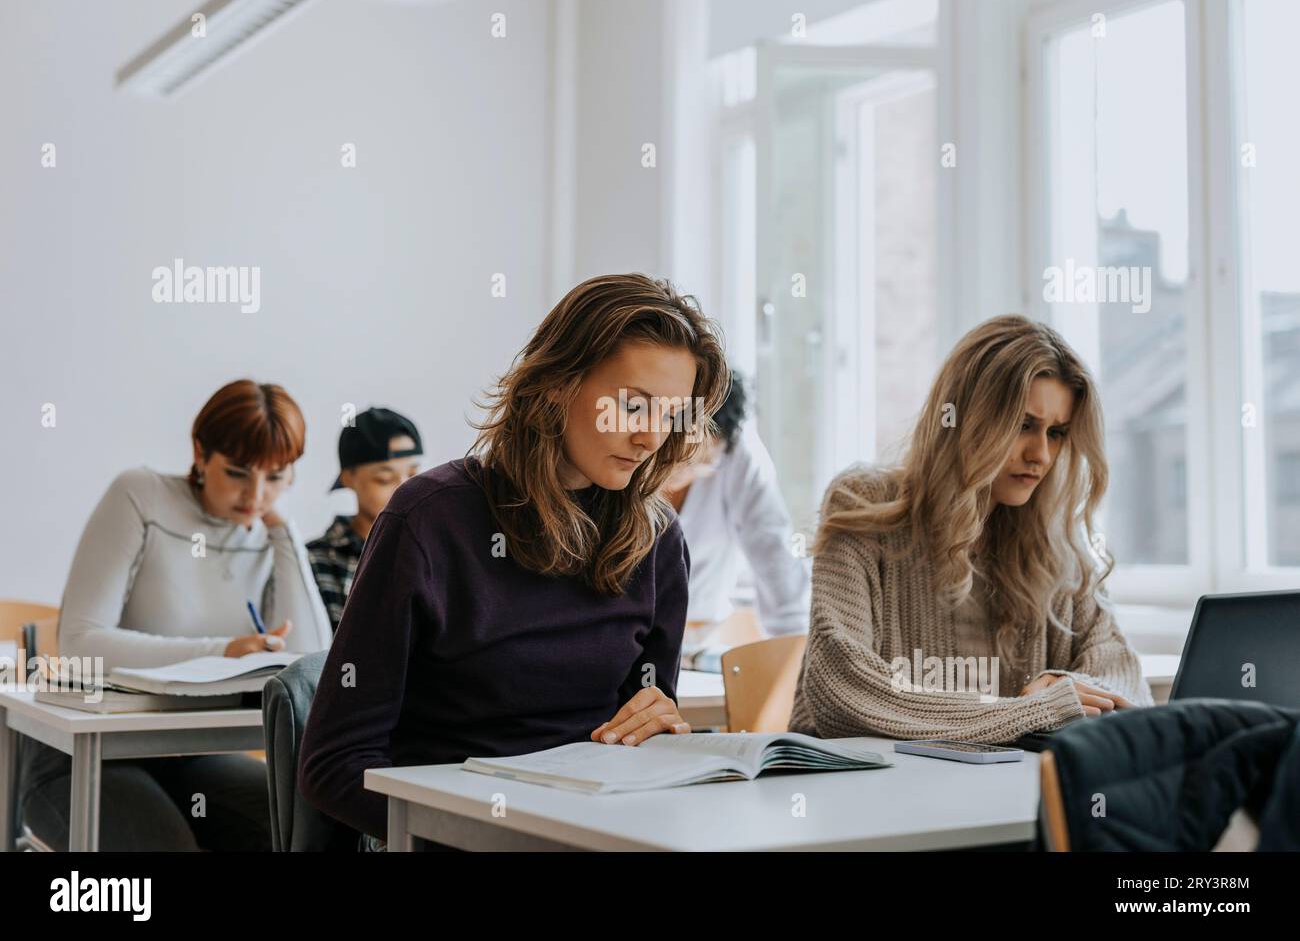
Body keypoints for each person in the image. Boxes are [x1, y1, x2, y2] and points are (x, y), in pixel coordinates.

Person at [298, 274, 729, 844]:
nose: (652, 437)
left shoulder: (657, 539)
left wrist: (657, 736)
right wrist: (485, 835)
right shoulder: (428, 519)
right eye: (632, 405)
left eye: (671, 414)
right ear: (556, 385)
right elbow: (334, 765)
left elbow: (632, 736)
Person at [789, 315, 1154, 745]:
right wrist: (1029, 712)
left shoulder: (1052, 542)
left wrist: (1060, 682)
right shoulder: (864, 505)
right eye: (1023, 425)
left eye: (1056, 433)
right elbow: (842, 686)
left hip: (1002, 791)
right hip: (865, 790)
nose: (1041, 454)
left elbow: (1124, 678)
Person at [19, 379, 332, 850]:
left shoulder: (267, 530)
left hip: (189, 754)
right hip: (84, 757)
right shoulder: (139, 496)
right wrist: (223, 651)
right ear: (200, 453)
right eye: (238, 473)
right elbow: (79, 644)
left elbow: (309, 665)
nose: (256, 495)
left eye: (276, 477)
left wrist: (284, 535)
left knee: (305, 831)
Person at [660, 370, 809, 643]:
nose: (682, 471)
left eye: (702, 463)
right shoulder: (630, 446)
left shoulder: (740, 455)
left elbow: (776, 557)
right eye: (676, 457)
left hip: (697, 638)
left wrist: (793, 656)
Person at [308, 407, 424, 631]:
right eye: (384, 478)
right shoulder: (314, 560)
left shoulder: (437, 550)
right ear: (348, 478)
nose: (404, 490)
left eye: (413, 476)